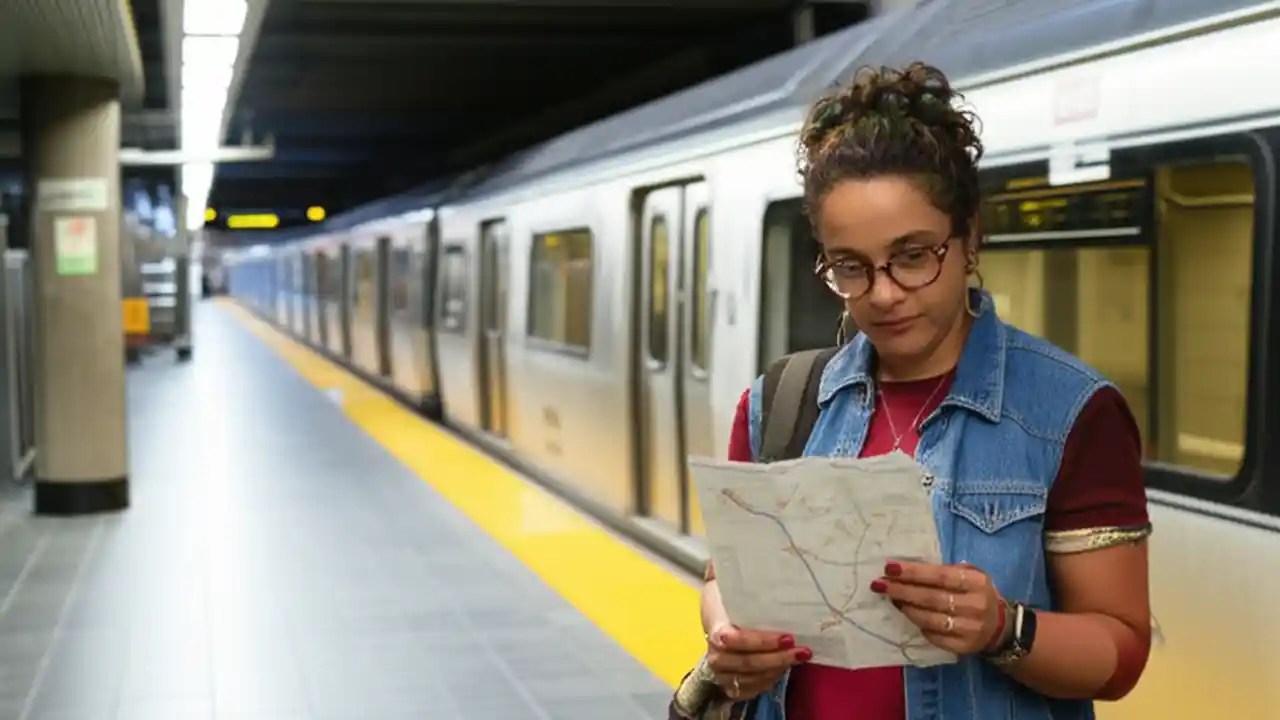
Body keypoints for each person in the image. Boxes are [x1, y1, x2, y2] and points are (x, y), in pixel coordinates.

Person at [684, 62, 1153, 720]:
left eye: (912, 256)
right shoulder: (780, 402)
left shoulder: (1072, 413)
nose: (882, 293)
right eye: (850, 266)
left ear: (969, 240)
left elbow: (1121, 651)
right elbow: (724, 579)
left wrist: (1003, 628)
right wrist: (727, 635)